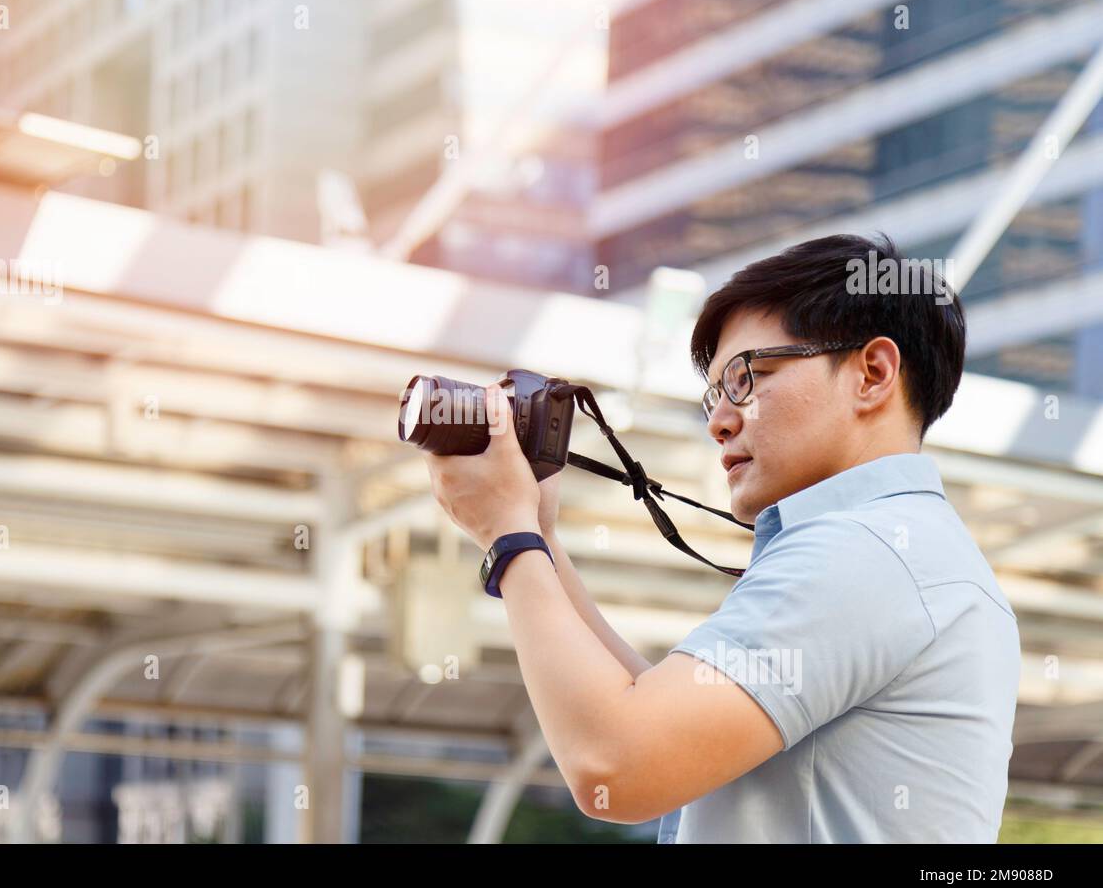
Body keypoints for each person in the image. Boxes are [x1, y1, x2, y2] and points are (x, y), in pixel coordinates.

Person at [420, 233, 1020, 842]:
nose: (718, 420)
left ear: (872, 373)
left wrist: (509, 536)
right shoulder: (903, 549)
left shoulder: (868, 551)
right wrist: (539, 535)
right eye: (715, 393)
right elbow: (647, 714)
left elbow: (617, 763)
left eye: (747, 377)